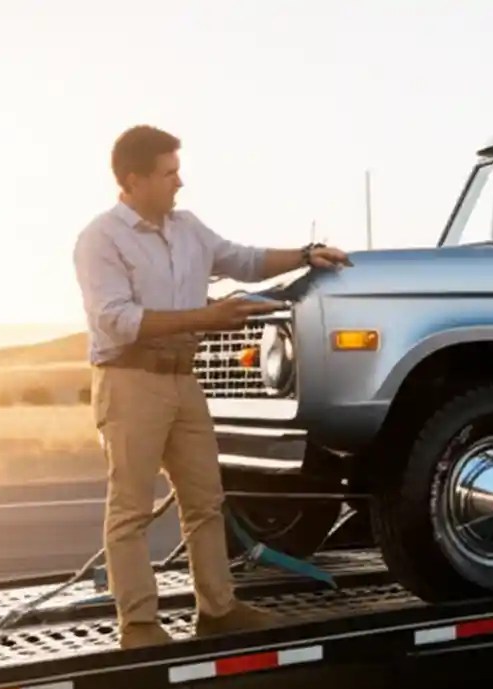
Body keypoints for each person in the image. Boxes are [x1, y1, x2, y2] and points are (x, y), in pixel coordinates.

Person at [73, 124, 351, 649]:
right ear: (134, 179)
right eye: (169, 172)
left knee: (205, 501)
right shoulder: (100, 239)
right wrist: (208, 316)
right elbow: (117, 321)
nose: (180, 182)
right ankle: (139, 627)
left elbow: (242, 258)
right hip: (130, 381)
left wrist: (304, 254)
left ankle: (218, 611)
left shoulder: (188, 228)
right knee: (130, 509)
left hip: (184, 379)